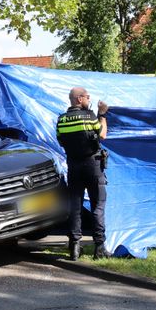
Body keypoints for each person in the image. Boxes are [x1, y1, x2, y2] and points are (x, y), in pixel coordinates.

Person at [56, 86, 109, 260]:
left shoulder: (61, 120)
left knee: (75, 207)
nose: (89, 100)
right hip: (92, 165)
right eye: (87, 97)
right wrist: (102, 114)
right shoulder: (89, 116)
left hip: (73, 166)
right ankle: (99, 247)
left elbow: (61, 141)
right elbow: (102, 135)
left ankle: (74, 247)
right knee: (98, 205)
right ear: (79, 99)